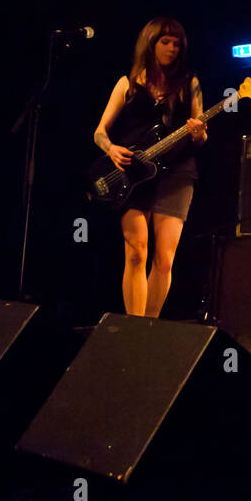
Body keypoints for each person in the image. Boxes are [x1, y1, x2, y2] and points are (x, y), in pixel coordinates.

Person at [94, 17, 207, 317]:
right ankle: (133, 326)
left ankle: (149, 327)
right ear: (150, 43)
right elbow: (99, 132)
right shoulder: (128, 84)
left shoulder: (189, 84)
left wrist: (199, 133)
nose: (172, 48)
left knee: (165, 260)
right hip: (133, 174)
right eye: (165, 42)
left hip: (177, 174)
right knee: (136, 253)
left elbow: (200, 136)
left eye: (177, 43)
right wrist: (111, 149)